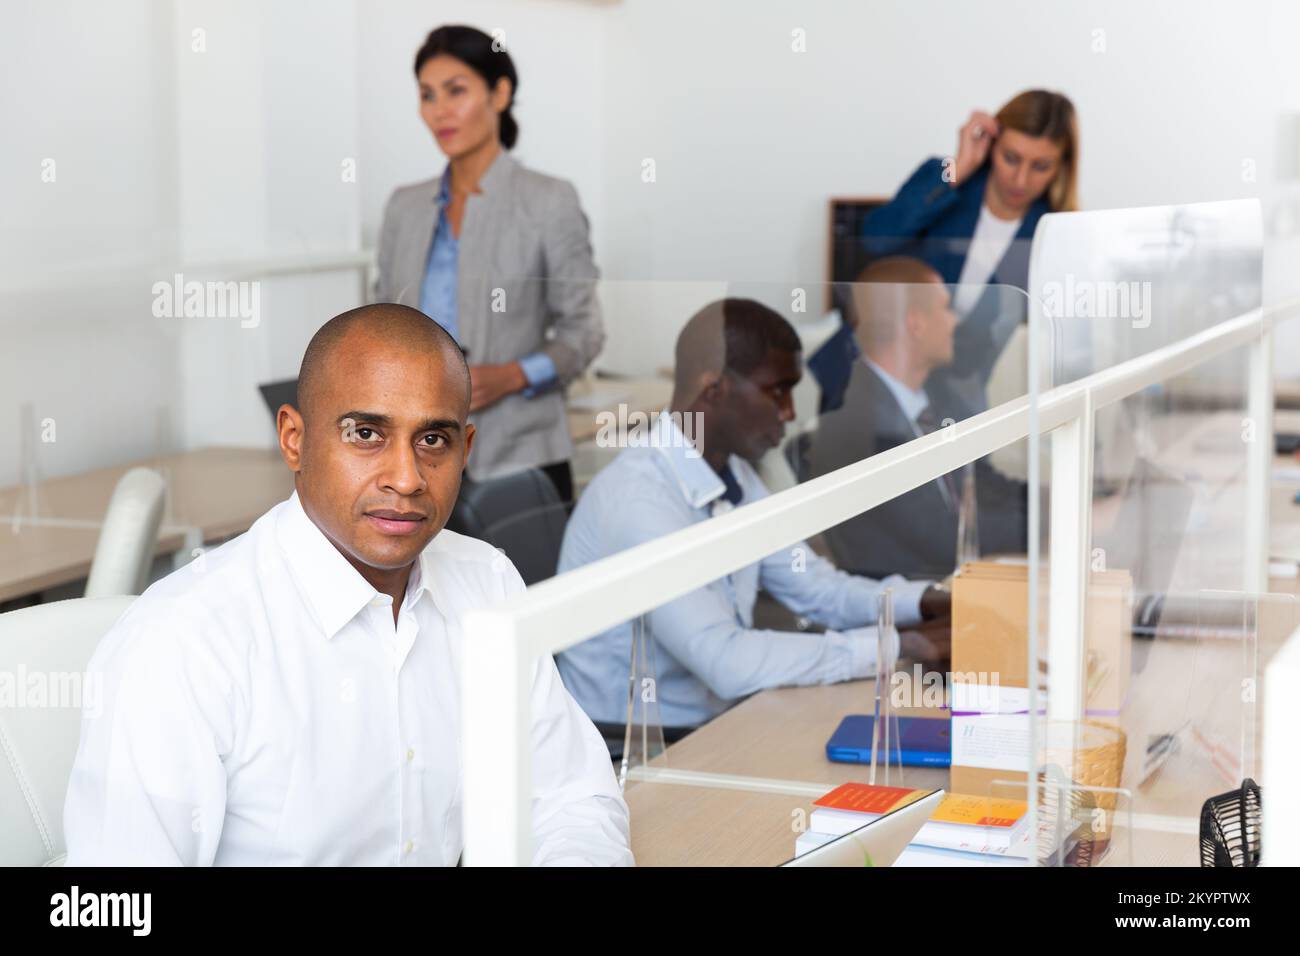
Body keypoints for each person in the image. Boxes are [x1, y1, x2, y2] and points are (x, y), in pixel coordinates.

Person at [64, 304, 631, 866]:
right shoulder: (184, 642)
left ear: (466, 450)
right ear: (293, 439)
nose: (407, 479)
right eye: (366, 434)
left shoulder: (486, 582)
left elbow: (569, 799)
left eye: (433, 440)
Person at [555, 298, 950, 736]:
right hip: (640, 744)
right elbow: (726, 662)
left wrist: (924, 603)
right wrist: (896, 647)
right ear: (715, 389)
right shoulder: (639, 503)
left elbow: (817, 589)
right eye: (776, 391)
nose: (789, 413)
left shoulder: (733, 472)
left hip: (717, 719)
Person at [374, 25, 603, 502]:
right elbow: (381, 325)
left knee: (527, 579)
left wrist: (514, 375)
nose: (440, 111)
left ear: (500, 93)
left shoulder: (548, 201)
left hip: (520, 456)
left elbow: (584, 332)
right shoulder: (405, 207)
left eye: (456, 91)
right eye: (427, 95)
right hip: (412, 463)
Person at [801, 257, 1027, 580]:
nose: (954, 323)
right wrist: (1053, 521)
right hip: (913, 602)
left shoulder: (937, 399)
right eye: (946, 308)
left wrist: (1059, 501)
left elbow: (980, 484)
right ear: (916, 323)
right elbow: (940, 535)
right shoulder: (856, 420)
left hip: (959, 580)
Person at [859, 89, 1079, 418]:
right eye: (1011, 158)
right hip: (872, 379)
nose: (1020, 179)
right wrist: (957, 170)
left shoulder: (1053, 233)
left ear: (1061, 167)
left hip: (954, 397)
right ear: (991, 145)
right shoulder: (945, 178)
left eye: (1041, 166)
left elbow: (1064, 341)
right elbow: (875, 240)